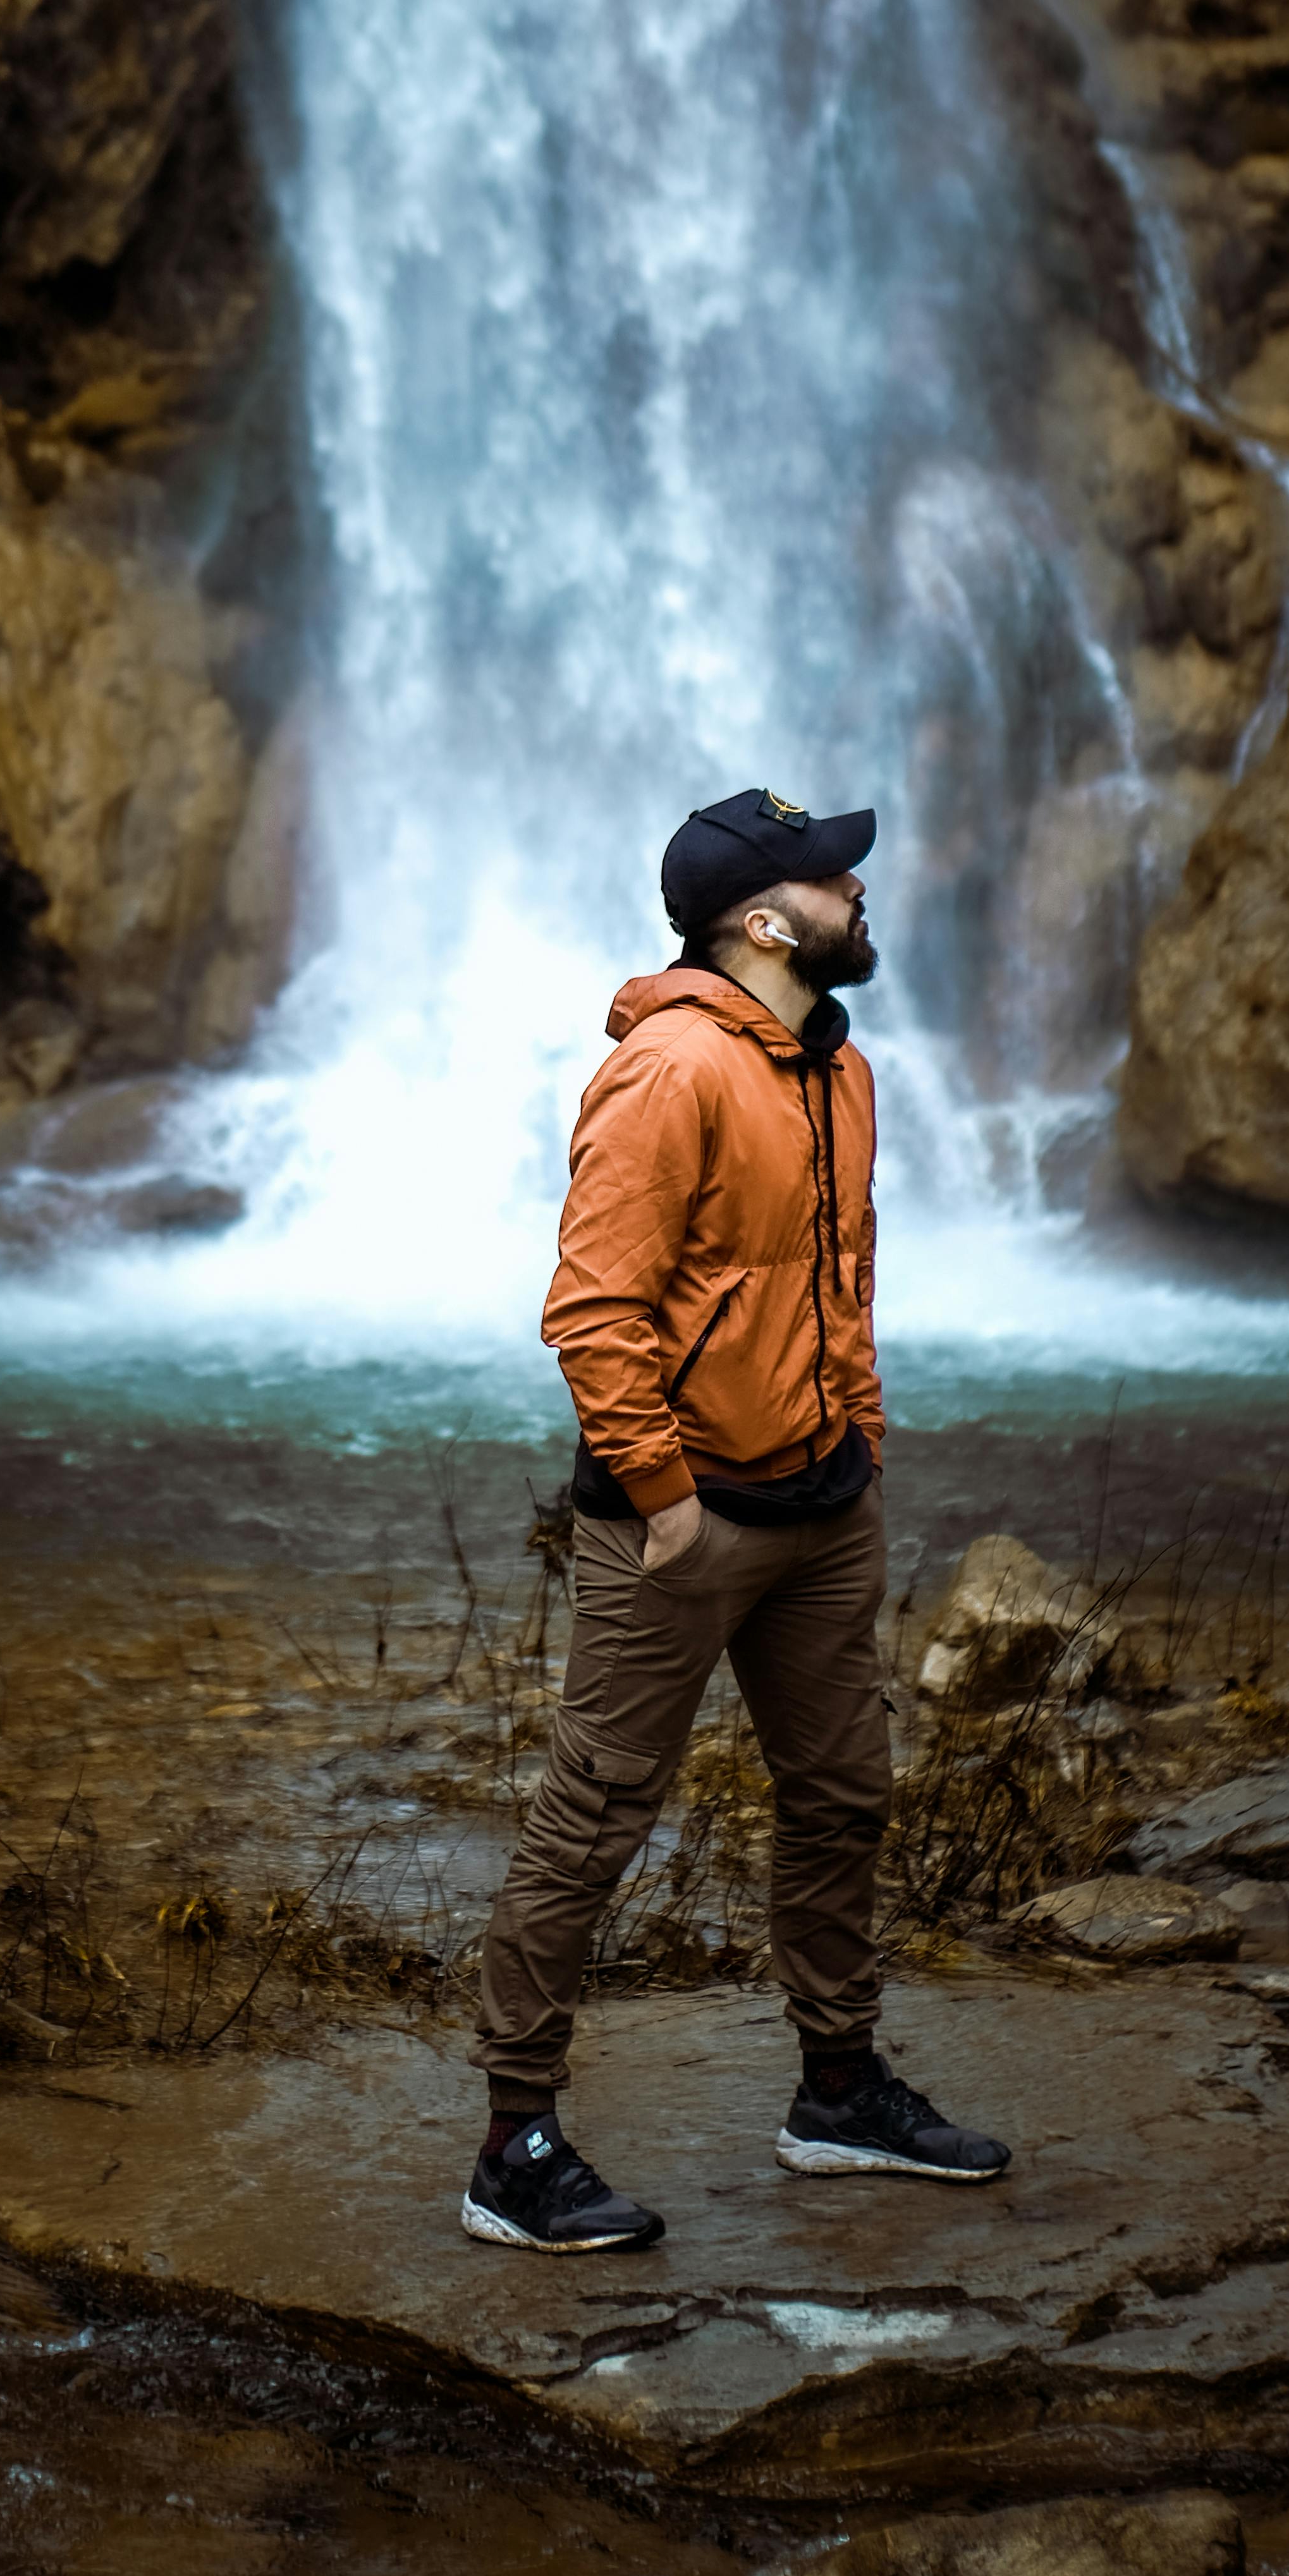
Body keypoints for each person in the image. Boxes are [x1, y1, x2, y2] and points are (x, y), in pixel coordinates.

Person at [463, 787, 1012, 2253]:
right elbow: (593, 1316)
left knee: (842, 1796)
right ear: (767, 920)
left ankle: (837, 2091)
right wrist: (664, 1502)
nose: (862, 894)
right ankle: (514, 2143)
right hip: (685, 1523)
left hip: (827, 1508)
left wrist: (865, 1448)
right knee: (594, 1823)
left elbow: (844, 1277)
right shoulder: (669, 1074)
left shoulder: (839, 1070)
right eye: (840, 880)